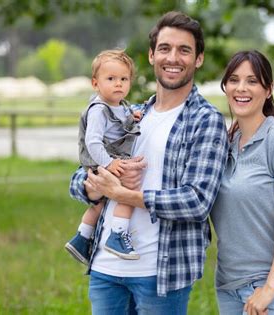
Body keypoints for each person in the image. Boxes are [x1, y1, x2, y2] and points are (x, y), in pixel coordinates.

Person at [69, 11, 228, 315]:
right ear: (152, 55)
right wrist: (92, 188)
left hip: (160, 273)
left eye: (185, 50)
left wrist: (121, 194)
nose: (174, 57)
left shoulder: (205, 120)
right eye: (165, 48)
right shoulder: (130, 115)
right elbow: (81, 175)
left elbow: (196, 201)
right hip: (105, 268)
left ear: (199, 59)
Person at [210, 50, 274, 315]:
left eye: (252, 81)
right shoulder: (225, 143)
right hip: (227, 285)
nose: (241, 88)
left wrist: (269, 289)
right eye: (234, 80)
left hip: (267, 290)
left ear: (269, 89)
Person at [65, 49, 142, 265]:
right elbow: (93, 142)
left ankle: (82, 237)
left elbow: (121, 123)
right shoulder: (98, 110)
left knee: (99, 204)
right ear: (95, 83)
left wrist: (132, 117)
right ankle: (117, 234)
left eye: (124, 79)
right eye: (111, 79)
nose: (118, 84)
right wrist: (109, 163)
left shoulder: (120, 106)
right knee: (128, 191)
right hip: (104, 159)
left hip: (108, 159)